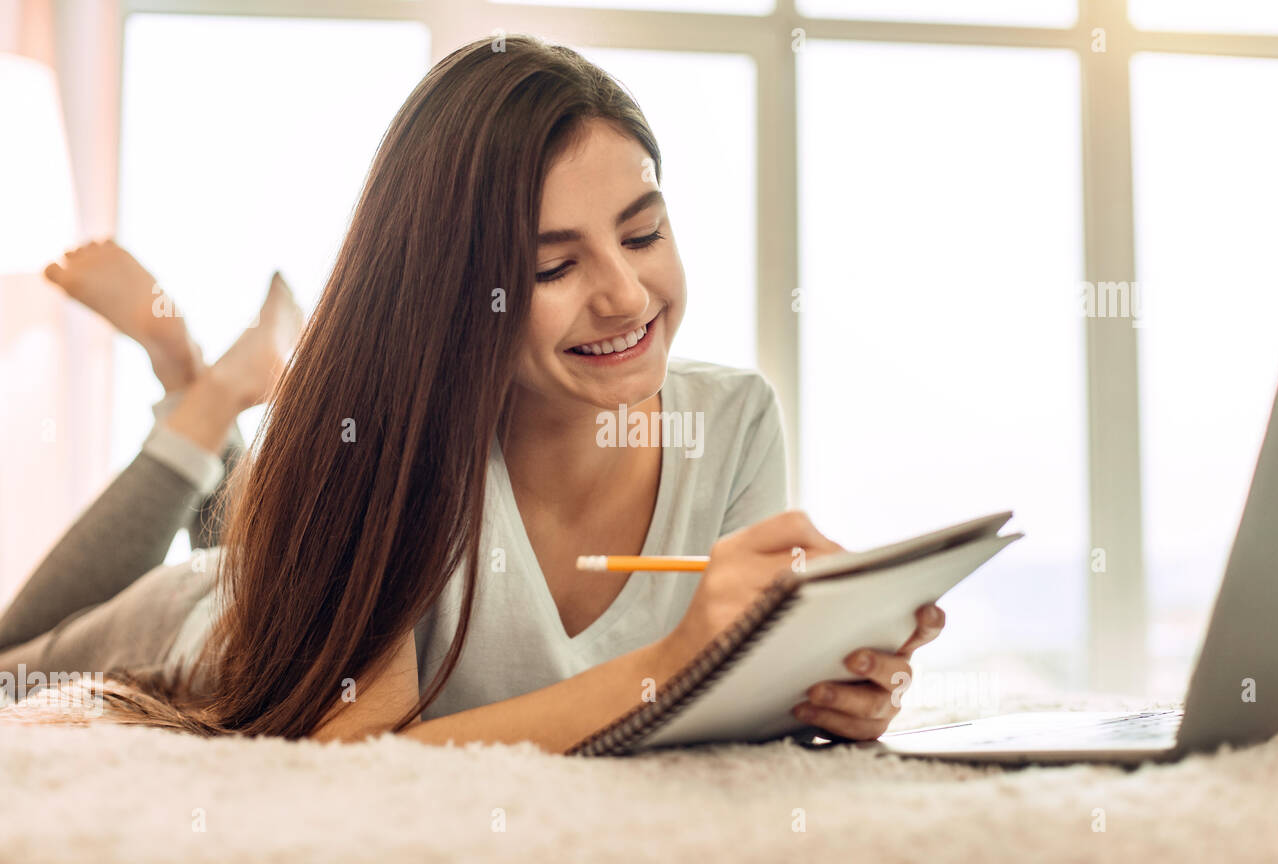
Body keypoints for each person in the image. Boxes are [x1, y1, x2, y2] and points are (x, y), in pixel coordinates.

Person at [0, 34, 945, 753]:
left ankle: (208, 389)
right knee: (10, 662)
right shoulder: (396, 441)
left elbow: (709, 701)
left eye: (644, 235)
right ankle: (197, 385)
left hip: (281, 546)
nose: (623, 294)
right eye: (551, 268)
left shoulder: (735, 422)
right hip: (218, 617)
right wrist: (670, 663)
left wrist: (821, 687)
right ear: (461, 293)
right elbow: (354, 751)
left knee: (255, 510)